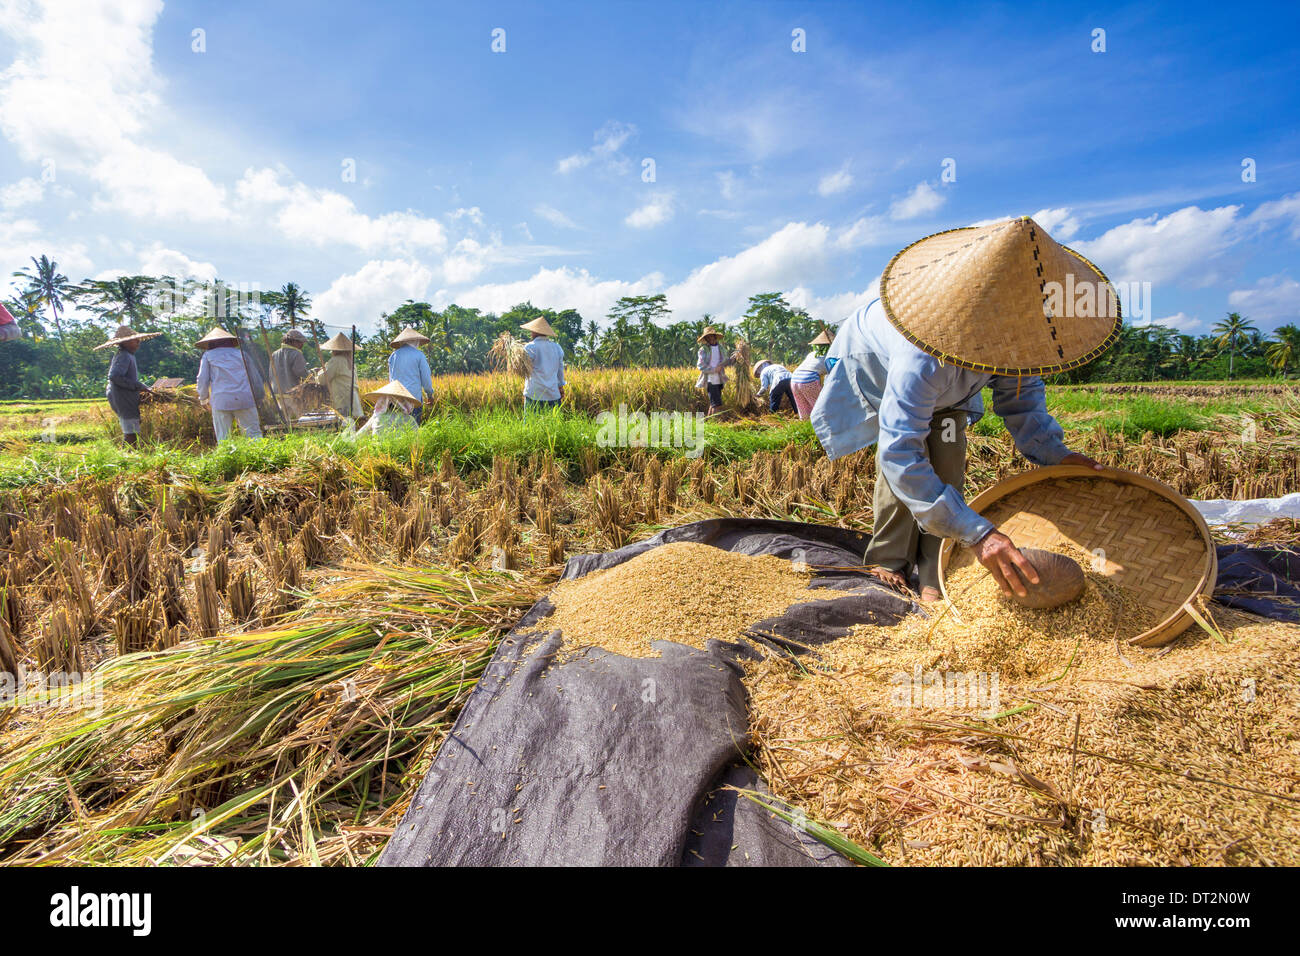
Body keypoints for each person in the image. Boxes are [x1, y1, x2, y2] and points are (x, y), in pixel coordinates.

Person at [811, 216, 1118, 603]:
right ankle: (888, 561)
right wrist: (981, 534)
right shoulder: (921, 355)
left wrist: (1058, 456)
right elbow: (900, 450)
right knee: (905, 464)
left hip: (950, 393)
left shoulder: (1015, 346)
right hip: (875, 365)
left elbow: (1023, 404)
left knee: (949, 458)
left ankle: (932, 570)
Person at [94, 324, 161, 446]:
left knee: (132, 430)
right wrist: (138, 386)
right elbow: (115, 376)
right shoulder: (124, 355)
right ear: (126, 342)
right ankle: (128, 457)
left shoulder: (127, 355)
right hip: (123, 398)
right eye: (135, 340)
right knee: (131, 433)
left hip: (125, 397)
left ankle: (129, 455)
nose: (138, 342)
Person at [196, 327, 263, 441]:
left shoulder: (208, 355)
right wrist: (259, 396)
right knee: (253, 436)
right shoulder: (242, 354)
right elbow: (255, 378)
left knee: (224, 438)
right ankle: (259, 458)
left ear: (211, 343)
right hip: (244, 398)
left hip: (221, 400)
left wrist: (203, 398)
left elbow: (202, 379)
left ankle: (227, 458)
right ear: (230, 341)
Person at [387, 326, 434, 425]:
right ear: (415, 341)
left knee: (395, 428)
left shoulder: (393, 356)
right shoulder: (419, 355)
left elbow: (391, 379)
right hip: (413, 398)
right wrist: (429, 395)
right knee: (413, 428)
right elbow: (426, 379)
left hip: (395, 397)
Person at [521, 317, 565, 412]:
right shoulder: (557, 347)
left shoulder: (530, 347)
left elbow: (523, 368)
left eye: (531, 331)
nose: (531, 333)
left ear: (535, 332)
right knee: (554, 425)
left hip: (533, 394)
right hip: (553, 394)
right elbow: (560, 371)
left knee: (530, 425)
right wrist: (560, 387)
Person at [318, 332, 363, 420]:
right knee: (352, 424)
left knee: (344, 424)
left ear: (335, 350)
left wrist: (318, 373)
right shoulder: (351, 362)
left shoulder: (336, 360)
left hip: (342, 399)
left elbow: (323, 379)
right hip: (353, 398)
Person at [790, 330, 833, 420]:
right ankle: (824, 429)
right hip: (809, 379)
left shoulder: (811, 354)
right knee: (821, 408)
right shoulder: (831, 355)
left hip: (794, 378)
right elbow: (834, 373)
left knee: (804, 409)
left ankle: (806, 428)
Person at [270, 328, 309, 418]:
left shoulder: (274, 354)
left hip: (279, 393)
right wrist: (311, 376)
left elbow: (271, 374)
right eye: (300, 342)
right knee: (302, 418)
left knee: (287, 421)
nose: (302, 344)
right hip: (294, 393)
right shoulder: (296, 354)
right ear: (293, 342)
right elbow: (301, 372)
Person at [694, 326, 731, 416]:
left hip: (720, 378)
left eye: (711, 336)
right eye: (708, 337)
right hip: (710, 379)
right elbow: (700, 365)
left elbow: (726, 360)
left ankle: (709, 421)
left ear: (715, 336)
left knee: (713, 403)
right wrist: (713, 369)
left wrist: (731, 359)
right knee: (717, 404)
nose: (710, 338)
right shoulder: (703, 350)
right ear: (706, 339)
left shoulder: (721, 348)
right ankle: (716, 423)